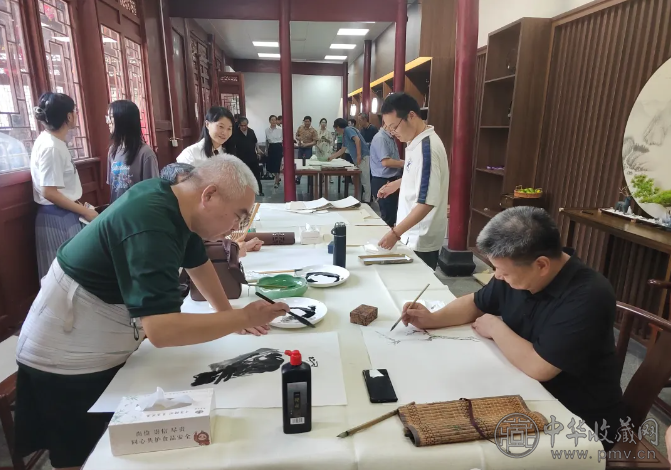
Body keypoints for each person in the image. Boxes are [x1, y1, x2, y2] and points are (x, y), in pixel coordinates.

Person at [14, 155, 289, 469]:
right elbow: (162, 330)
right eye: (238, 216)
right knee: (90, 457)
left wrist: (228, 314)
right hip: (65, 355)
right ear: (209, 195)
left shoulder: (176, 201)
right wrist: (241, 318)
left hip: (99, 341)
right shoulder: (150, 222)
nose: (236, 228)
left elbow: (196, 260)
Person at [401, 207, 625, 449]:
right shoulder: (519, 269)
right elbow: (476, 303)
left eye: (504, 272)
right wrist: (432, 319)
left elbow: (539, 367)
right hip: (524, 387)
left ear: (541, 265)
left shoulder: (588, 295)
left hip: (575, 415)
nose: (497, 277)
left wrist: (495, 327)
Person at [30, 92, 98, 280]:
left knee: (68, 274)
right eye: (74, 111)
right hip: (57, 215)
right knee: (63, 276)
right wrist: (84, 212)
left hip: (63, 212)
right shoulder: (52, 146)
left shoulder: (52, 141)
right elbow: (49, 192)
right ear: (69, 116)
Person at [377, 92, 448, 270]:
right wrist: (398, 183)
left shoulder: (427, 149)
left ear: (411, 115)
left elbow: (426, 203)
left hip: (420, 236)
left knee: (414, 291)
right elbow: (418, 175)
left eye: (395, 126)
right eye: (389, 129)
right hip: (411, 233)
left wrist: (395, 233)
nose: (393, 133)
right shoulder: (416, 142)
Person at [160, 161, 264, 259]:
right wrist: (231, 252)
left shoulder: (195, 227)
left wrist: (233, 249)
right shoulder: (161, 228)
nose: (235, 227)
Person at [106, 100, 159, 203]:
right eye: (107, 117)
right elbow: (112, 186)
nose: (108, 121)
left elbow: (152, 190)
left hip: (136, 212)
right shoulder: (112, 150)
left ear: (123, 120)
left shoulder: (145, 153)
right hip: (117, 210)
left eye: (111, 117)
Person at [328, 118, 372, 203]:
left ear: (337, 127)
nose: (336, 130)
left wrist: (359, 155)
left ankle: (367, 200)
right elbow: (343, 149)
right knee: (357, 179)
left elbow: (357, 140)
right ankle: (358, 199)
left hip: (363, 157)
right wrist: (331, 157)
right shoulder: (345, 135)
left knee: (365, 180)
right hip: (358, 158)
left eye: (335, 128)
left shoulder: (348, 129)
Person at [369, 125, 403, 227]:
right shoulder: (381, 138)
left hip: (391, 179)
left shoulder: (390, 137)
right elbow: (386, 162)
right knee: (388, 217)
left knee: (392, 215)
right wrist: (407, 163)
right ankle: (384, 241)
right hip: (383, 180)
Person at [233, 116, 264, 196]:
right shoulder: (235, 133)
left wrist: (258, 151)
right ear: (239, 125)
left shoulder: (251, 131)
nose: (244, 127)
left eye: (245, 125)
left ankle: (259, 191)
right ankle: (244, 192)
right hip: (241, 157)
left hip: (252, 156)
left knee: (256, 174)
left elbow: (255, 142)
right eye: (242, 125)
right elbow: (233, 146)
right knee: (243, 176)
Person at [265, 115, 283, 189]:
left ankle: (276, 180)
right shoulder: (266, 130)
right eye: (272, 120)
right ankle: (277, 177)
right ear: (269, 121)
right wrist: (266, 149)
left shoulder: (280, 129)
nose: (273, 121)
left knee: (277, 164)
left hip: (278, 146)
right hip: (271, 147)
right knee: (271, 165)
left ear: (277, 121)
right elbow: (266, 140)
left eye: (275, 120)